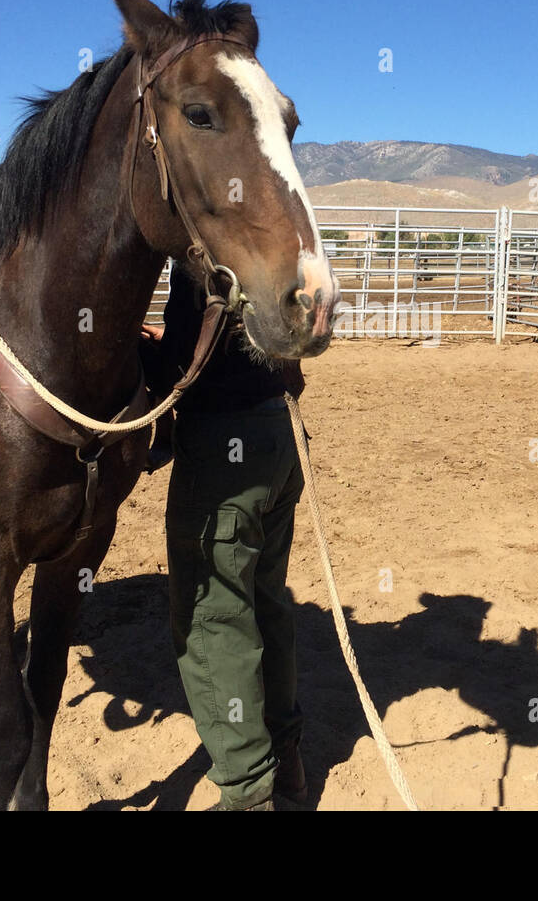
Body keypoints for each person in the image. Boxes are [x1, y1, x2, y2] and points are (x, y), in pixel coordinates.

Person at [142, 262, 308, 811]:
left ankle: (247, 792)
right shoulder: (263, 243)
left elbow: (182, 366)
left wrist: (146, 351)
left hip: (224, 447)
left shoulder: (200, 250)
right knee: (265, 602)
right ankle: (288, 768)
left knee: (213, 617)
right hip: (279, 433)